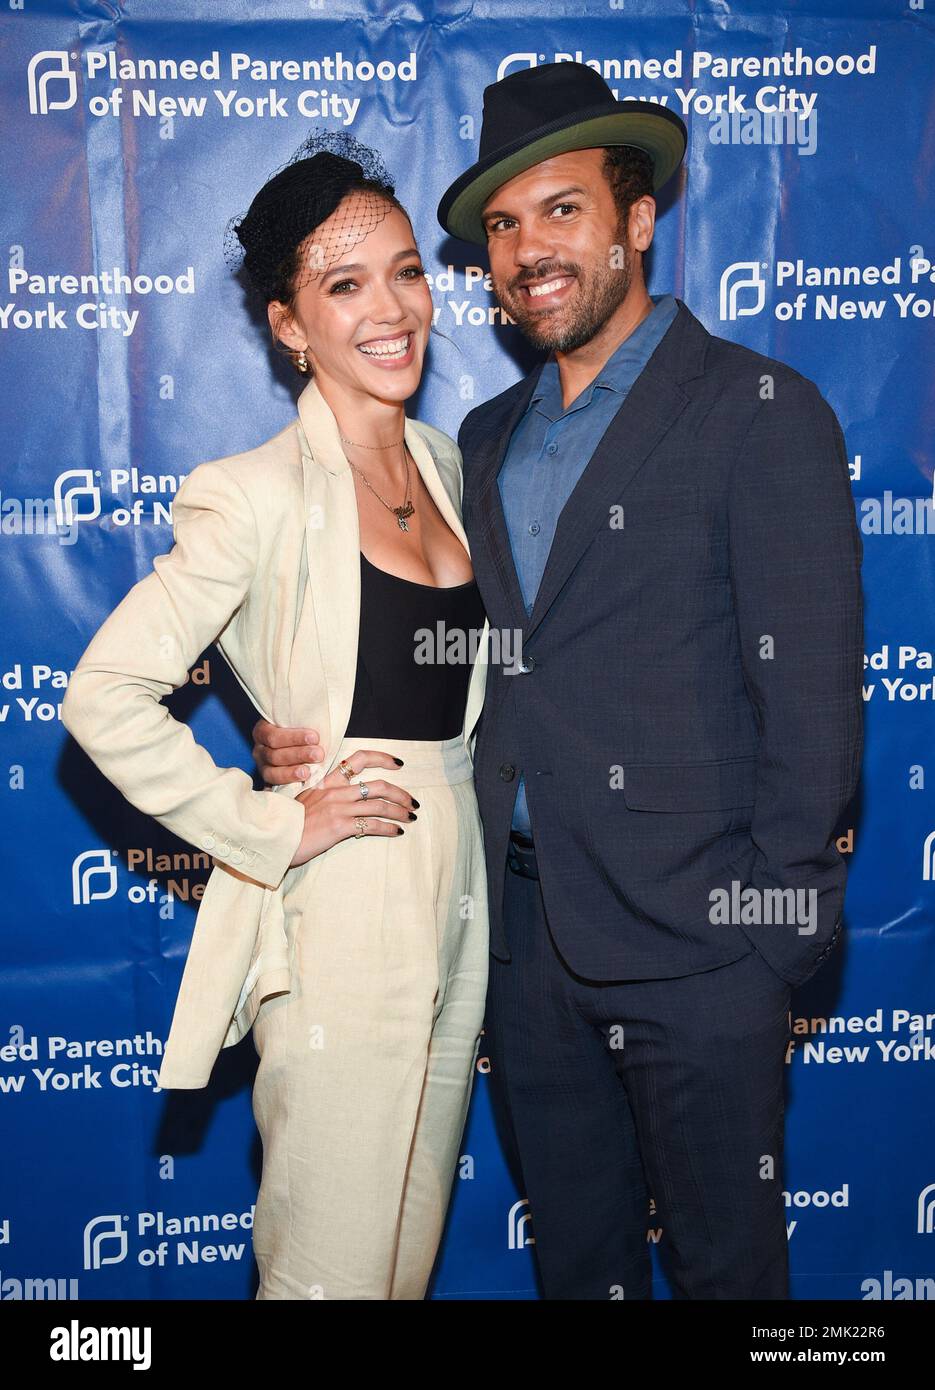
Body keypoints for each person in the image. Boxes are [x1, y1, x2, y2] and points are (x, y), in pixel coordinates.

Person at [252, 66, 864, 1300]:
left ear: (637, 220)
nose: (529, 249)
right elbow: (465, 656)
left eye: (563, 210)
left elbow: (813, 712)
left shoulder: (758, 412)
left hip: (705, 958)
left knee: (727, 1278)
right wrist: (304, 733)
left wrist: (764, 949)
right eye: (503, 225)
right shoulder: (478, 441)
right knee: (577, 1273)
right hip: (521, 950)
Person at [61, 130, 490, 1301]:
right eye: (343, 285)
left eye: (405, 270)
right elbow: (103, 694)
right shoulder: (251, 493)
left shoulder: (448, 465)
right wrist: (270, 824)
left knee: (401, 1264)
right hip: (348, 895)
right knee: (327, 1271)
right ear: (289, 326)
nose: (390, 307)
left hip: (462, 894)